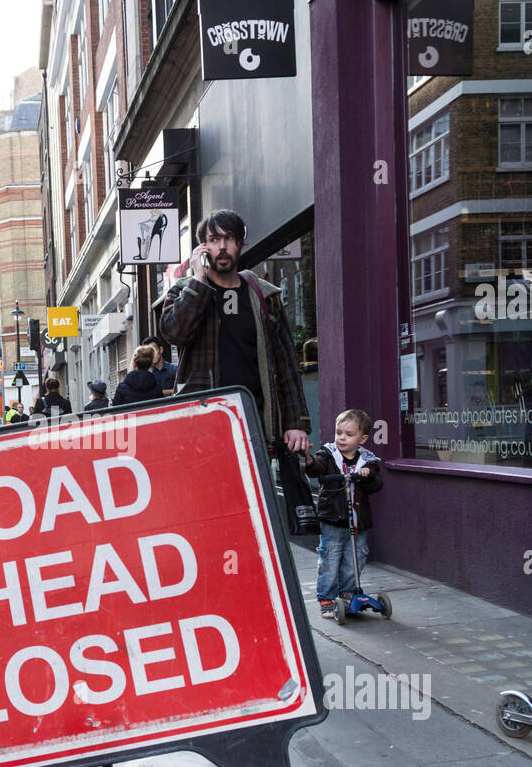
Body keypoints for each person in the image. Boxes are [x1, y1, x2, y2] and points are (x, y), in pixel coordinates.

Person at [159, 210, 311, 453]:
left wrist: (296, 423)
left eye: (228, 238)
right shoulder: (184, 292)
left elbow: (286, 364)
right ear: (203, 247)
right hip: (202, 423)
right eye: (214, 240)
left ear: (240, 243)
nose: (222, 247)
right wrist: (198, 280)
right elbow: (175, 333)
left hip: (255, 421)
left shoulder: (265, 296)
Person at [305, 409, 383, 618]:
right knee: (330, 561)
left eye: (349, 434)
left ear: (362, 438)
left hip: (358, 521)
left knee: (355, 559)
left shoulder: (368, 461)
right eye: (339, 432)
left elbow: (376, 485)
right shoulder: (328, 455)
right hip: (332, 519)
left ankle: (347, 593)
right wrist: (309, 461)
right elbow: (317, 469)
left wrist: (367, 476)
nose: (342, 438)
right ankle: (327, 599)